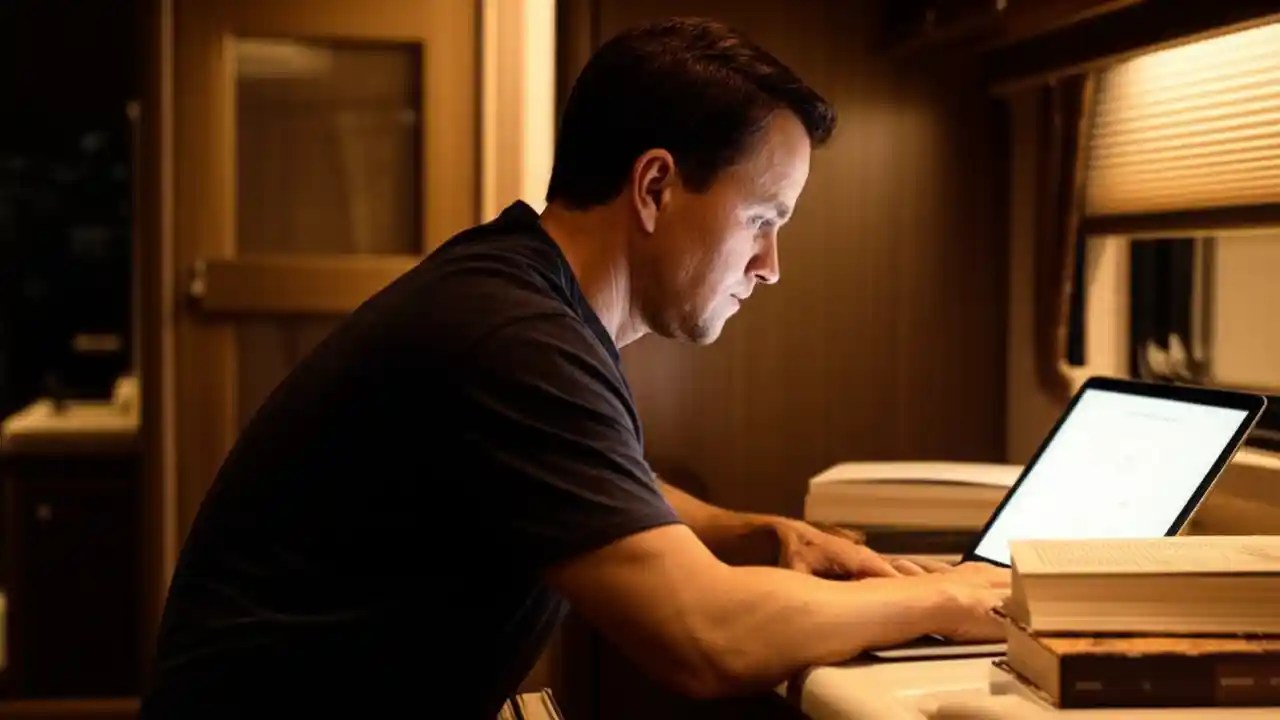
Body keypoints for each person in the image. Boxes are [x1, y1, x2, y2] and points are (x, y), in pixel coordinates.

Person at [141, 16, 1008, 719]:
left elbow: (575, 479)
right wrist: (954, 601)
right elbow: (706, 638)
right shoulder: (513, 337)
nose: (771, 263)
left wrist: (756, 532)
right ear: (656, 187)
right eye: (761, 219)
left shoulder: (520, 293)